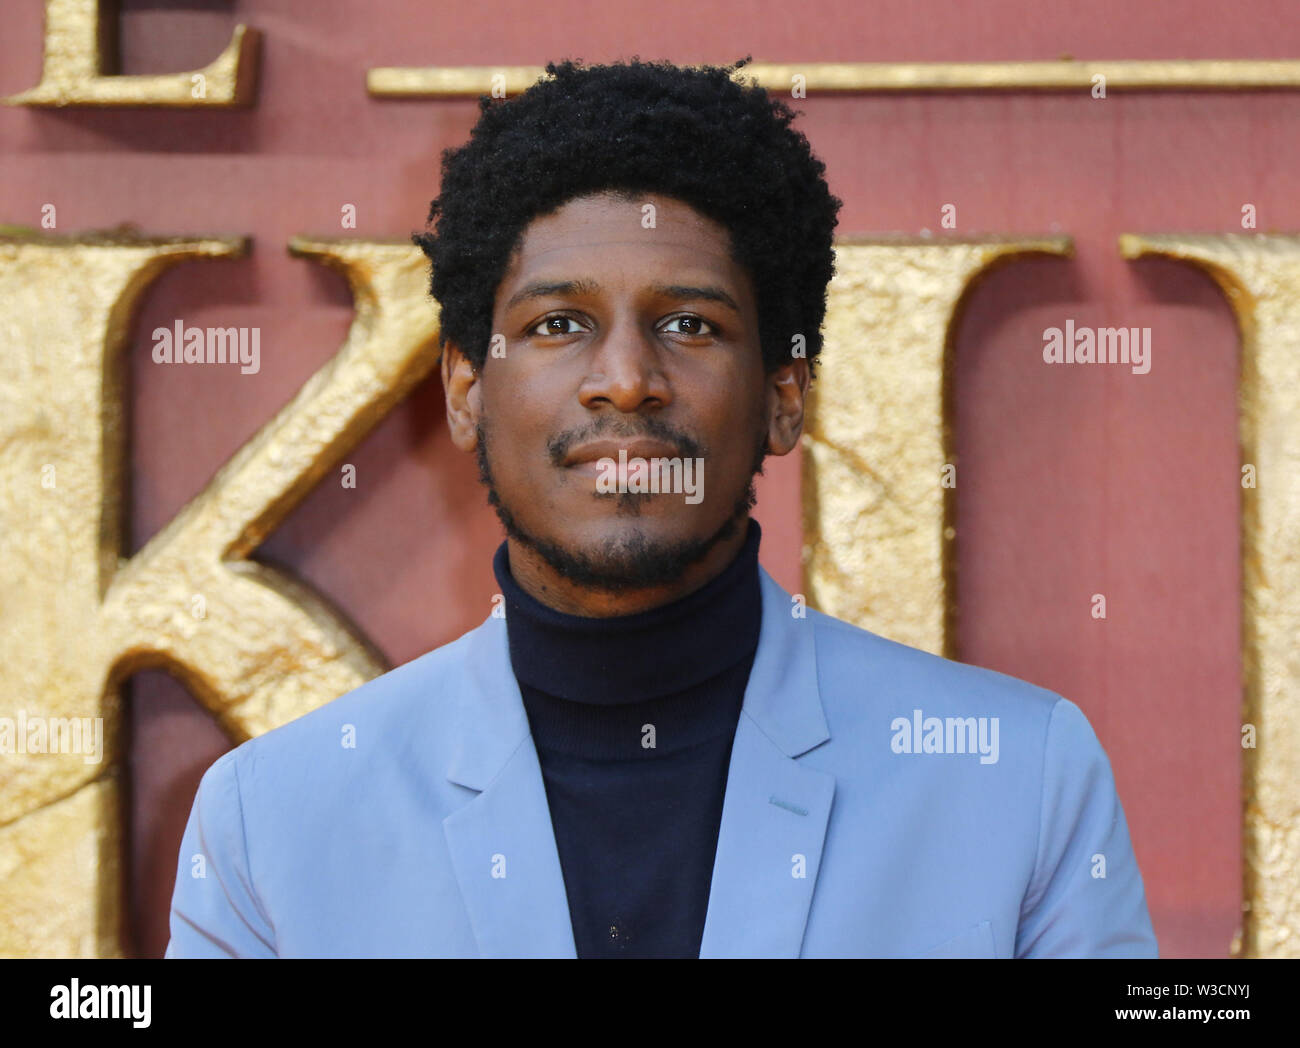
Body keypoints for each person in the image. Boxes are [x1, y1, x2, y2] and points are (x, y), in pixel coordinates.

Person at [165, 56, 1157, 958]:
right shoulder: (275, 824)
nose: (627, 381)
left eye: (690, 322)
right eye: (559, 323)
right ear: (466, 390)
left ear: (783, 395)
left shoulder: (1016, 782)